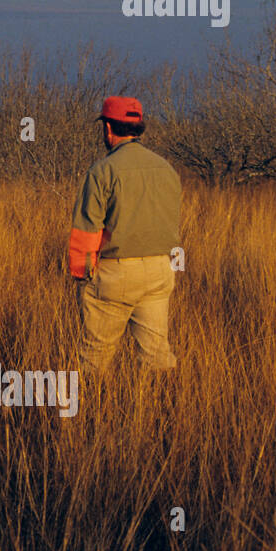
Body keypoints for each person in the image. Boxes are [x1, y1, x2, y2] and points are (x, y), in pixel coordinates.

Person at [68, 97, 182, 371]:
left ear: (108, 128)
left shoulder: (102, 171)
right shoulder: (166, 169)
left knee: (94, 358)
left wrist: (82, 275)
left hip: (115, 274)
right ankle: (165, 409)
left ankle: (89, 412)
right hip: (159, 271)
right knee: (157, 357)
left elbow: (87, 230)